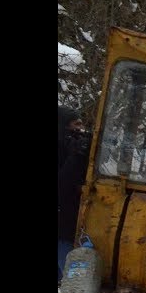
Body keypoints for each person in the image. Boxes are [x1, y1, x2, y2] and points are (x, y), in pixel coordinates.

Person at [59, 105, 89, 282]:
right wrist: (75, 156)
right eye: (75, 125)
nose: (79, 130)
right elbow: (62, 184)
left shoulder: (74, 147)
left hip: (72, 224)